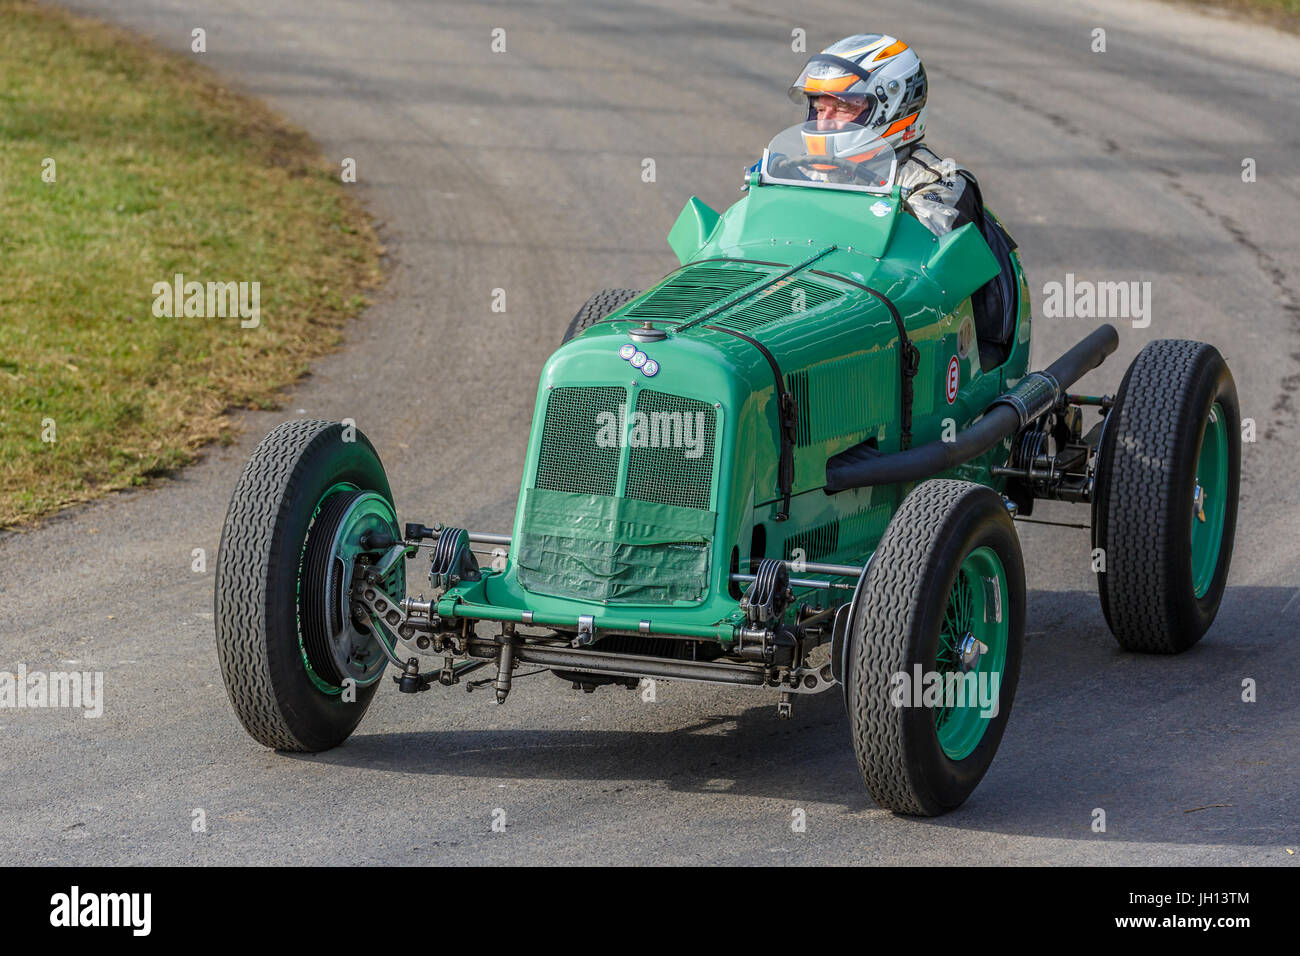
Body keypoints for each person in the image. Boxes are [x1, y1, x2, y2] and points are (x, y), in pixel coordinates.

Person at [784, 34, 981, 237]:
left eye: (842, 107)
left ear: (892, 109)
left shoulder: (939, 182)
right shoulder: (803, 171)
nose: (823, 123)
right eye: (819, 108)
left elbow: (920, 249)